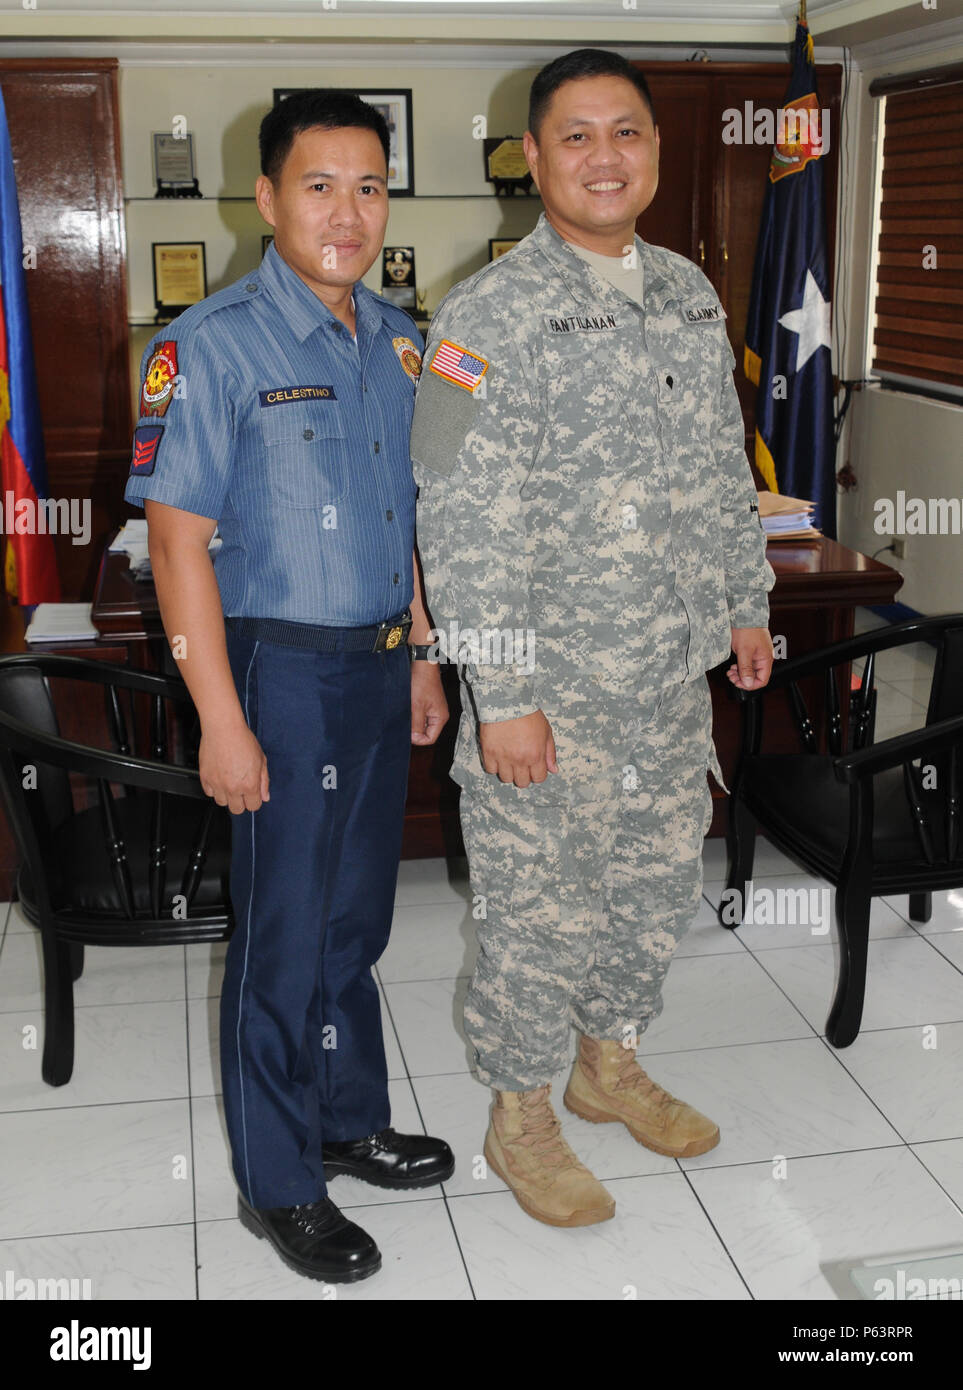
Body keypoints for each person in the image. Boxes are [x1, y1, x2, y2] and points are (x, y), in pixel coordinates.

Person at [410, 48, 775, 1229]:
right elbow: (458, 517)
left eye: (626, 133)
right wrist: (502, 693)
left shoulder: (685, 292)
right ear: (533, 157)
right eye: (576, 136)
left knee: (651, 886)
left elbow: (723, 470)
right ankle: (522, 1115)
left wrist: (747, 601)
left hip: (666, 682)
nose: (603, 156)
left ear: (656, 156)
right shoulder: (484, 316)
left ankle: (606, 1063)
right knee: (532, 913)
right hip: (550, 697)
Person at [124, 89, 453, 1284]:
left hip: (373, 667)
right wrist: (222, 717)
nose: (349, 212)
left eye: (370, 186)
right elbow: (175, 546)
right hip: (280, 671)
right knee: (280, 935)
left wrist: (419, 647)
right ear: (266, 198)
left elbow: (407, 515)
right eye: (321, 185)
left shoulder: (400, 340)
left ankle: (344, 1116)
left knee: (354, 922)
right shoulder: (207, 345)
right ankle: (281, 1181)